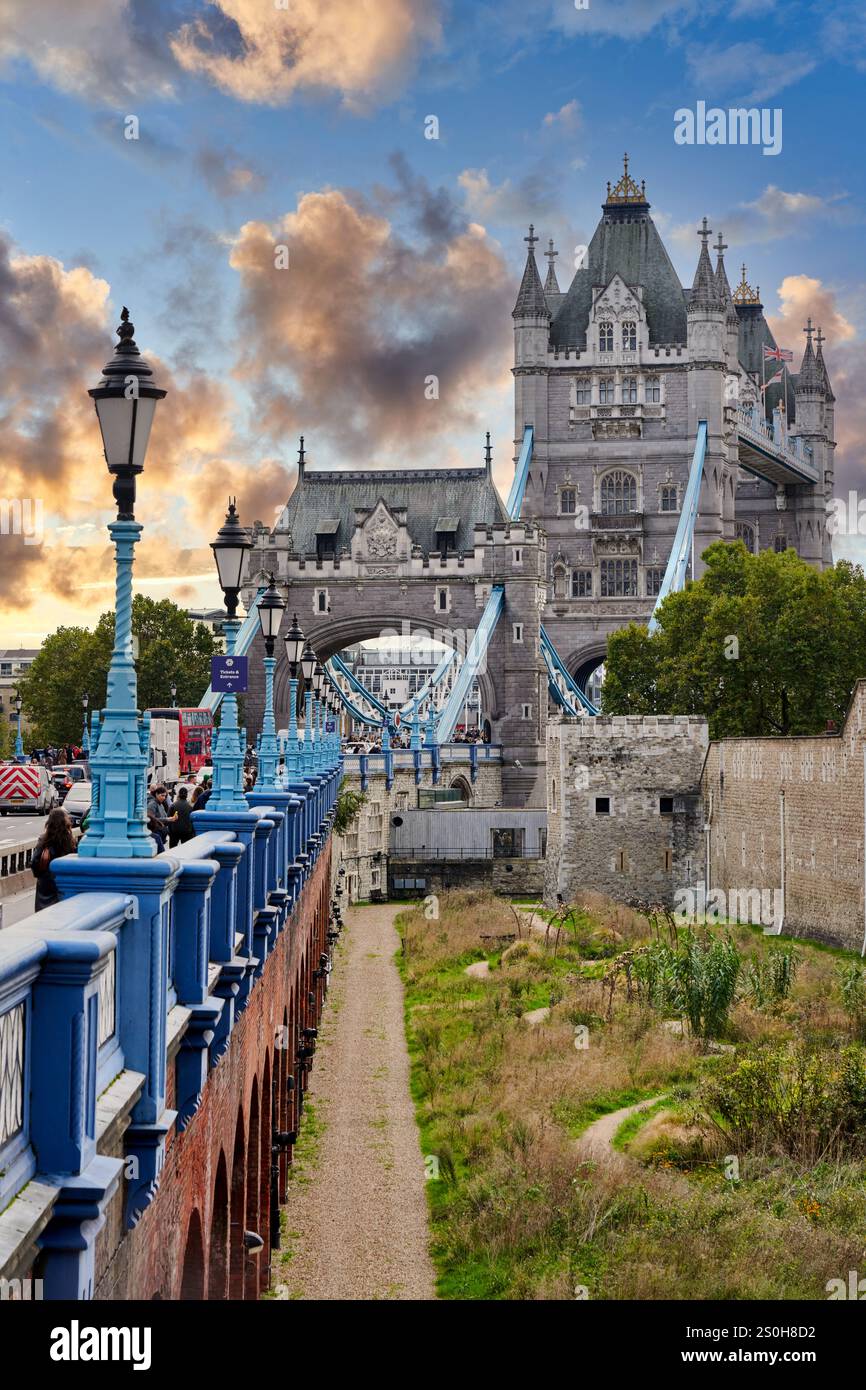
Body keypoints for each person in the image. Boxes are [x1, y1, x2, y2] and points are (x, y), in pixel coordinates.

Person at [32, 807, 77, 911]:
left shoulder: (43, 841)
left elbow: (35, 862)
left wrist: (41, 874)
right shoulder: (70, 841)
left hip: (46, 883)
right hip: (63, 882)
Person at [146, 785, 175, 852]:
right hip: (156, 832)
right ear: (156, 794)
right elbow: (151, 819)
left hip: (161, 833)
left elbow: (164, 817)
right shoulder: (152, 804)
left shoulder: (160, 804)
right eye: (162, 795)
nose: (164, 798)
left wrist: (170, 819)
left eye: (165, 796)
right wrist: (167, 819)